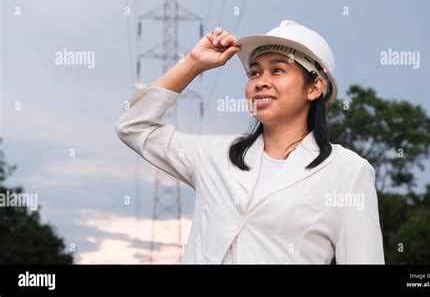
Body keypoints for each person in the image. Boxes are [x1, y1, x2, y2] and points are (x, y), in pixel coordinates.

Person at [115, 20, 385, 264]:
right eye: (254, 73)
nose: (261, 82)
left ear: (314, 87)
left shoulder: (346, 172)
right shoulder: (215, 155)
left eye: (277, 70)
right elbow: (134, 126)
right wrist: (193, 63)